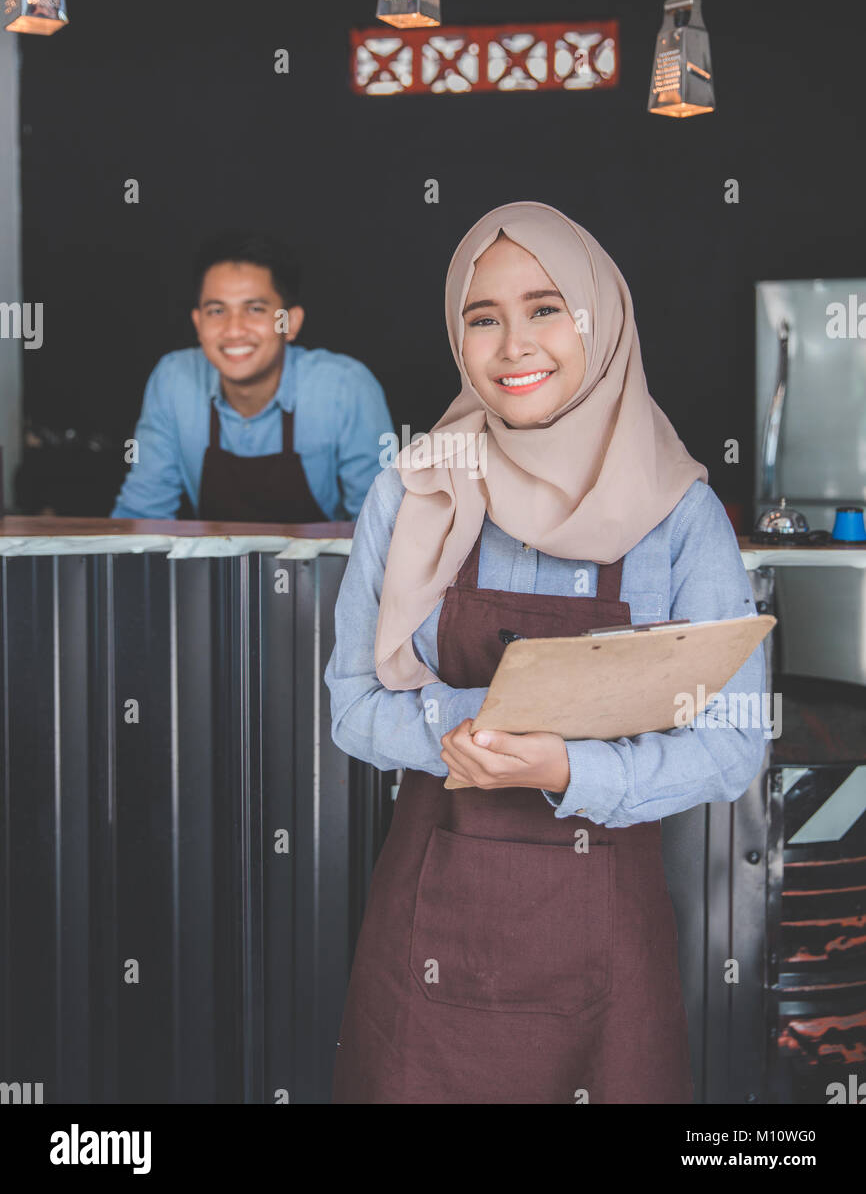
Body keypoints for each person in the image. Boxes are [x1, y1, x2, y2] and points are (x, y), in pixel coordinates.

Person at [324, 200, 770, 1105]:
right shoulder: (413, 491)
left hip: (601, 944)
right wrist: (472, 728)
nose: (513, 345)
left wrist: (571, 769)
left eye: (545, 308)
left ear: (597, 322)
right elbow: (351, 705)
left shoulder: (681, 515)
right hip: (431, 939)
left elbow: (732, 744)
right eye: (482, 318)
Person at [111, 231, 393, 522]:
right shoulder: (173, 380)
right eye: (217, 310)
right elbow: (143, 515)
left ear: (291, 322)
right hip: (214, 568)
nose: (234, 330)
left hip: (330, 569)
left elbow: (381, 527)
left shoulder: (345, 387)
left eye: (255, 309)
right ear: (198, 323)